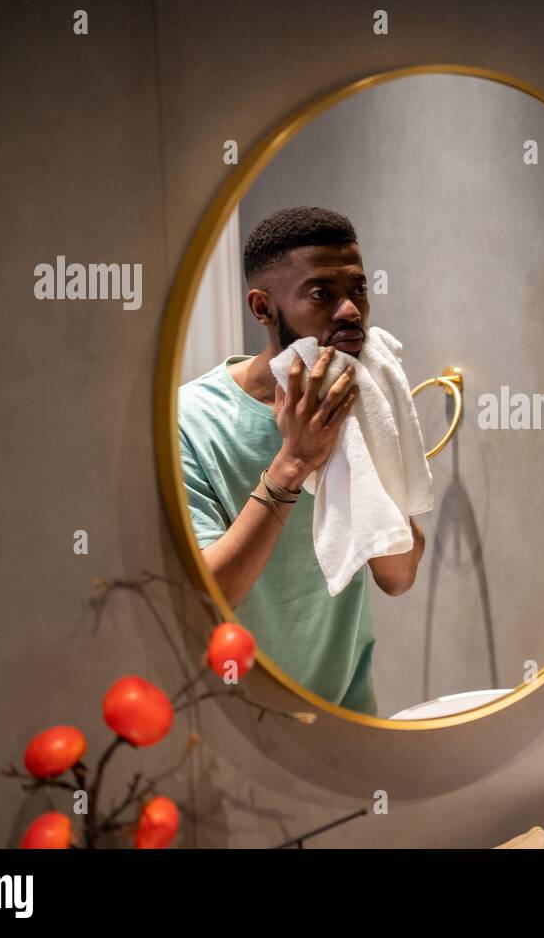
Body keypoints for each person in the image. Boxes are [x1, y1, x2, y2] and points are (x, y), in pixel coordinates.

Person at [178, 206, 425, 716]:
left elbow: (397, 577)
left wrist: (367, 438)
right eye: (321, 294)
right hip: (237, 719)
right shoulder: (191, 419)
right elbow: (208, 597)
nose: (350, 310)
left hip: (348, 716)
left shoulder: (362, 398)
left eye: (358, 288)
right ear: (263, 308)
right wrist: (293, 462)